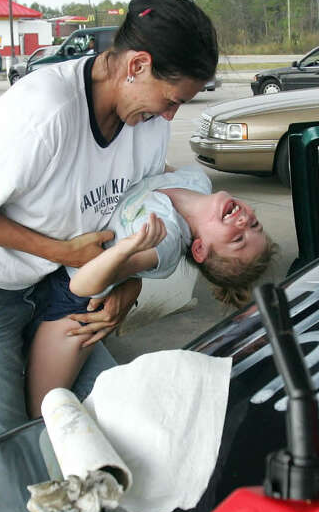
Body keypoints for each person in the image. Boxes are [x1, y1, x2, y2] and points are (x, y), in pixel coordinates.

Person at [0, 0, 218, 448]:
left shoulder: (149, 127)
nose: (170, 114)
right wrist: (60, 250)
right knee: (15, 457)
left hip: (48, 285)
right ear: (136, 65)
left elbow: (133, 208)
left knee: (107, 428)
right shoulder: (47, 108)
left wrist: (128, 285)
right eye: (171, 99)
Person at [26, 166, 273, 416]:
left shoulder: (165, 241)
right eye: (254, 224)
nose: (243, 222)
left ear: (199, 250)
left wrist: (124, 249)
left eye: (237, 239)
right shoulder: (195, 179)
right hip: (52, 265)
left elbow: (82, 285)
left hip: (74, 308)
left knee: (45, 412)